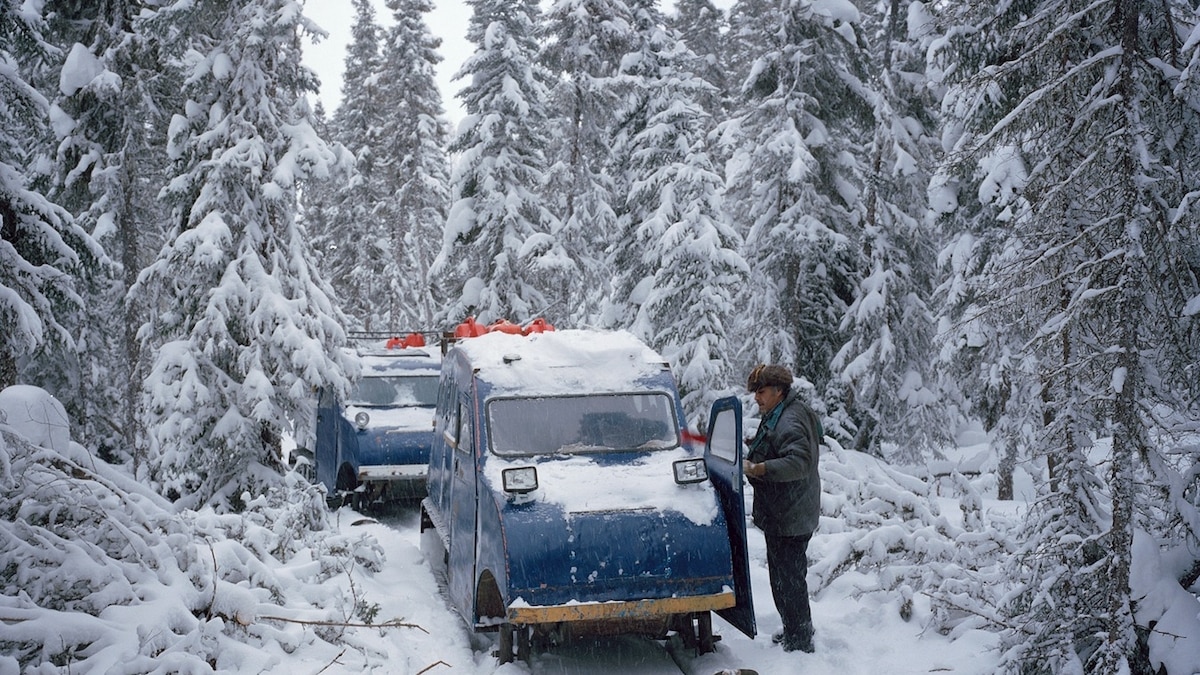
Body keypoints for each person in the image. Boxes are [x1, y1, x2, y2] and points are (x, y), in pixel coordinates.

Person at [742, 364, 822, 653]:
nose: (756, 398)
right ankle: (795, 628)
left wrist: (759, 467)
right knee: (785, 578)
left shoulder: (790, 419)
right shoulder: (782, 413)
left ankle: (800, 643)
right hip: (786, 513)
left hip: (791, 516)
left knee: (789, 581)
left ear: (778, 391)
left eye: (761, 392)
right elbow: (781, 447)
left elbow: (799, 462)